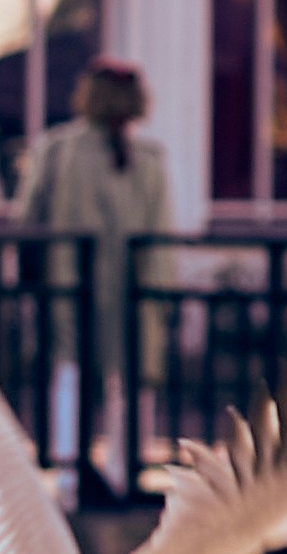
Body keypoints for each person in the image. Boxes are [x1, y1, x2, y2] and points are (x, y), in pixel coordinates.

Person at [14, 56, 171, 471]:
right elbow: (162, 233)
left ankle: (70, 472)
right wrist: (163, 292)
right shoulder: (149, 159)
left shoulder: (57, 150)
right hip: (134, 286)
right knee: (131, 377)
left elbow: (29, 220)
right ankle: (125, 471)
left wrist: (30, 275)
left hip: (69, 279)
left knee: (69, 371)